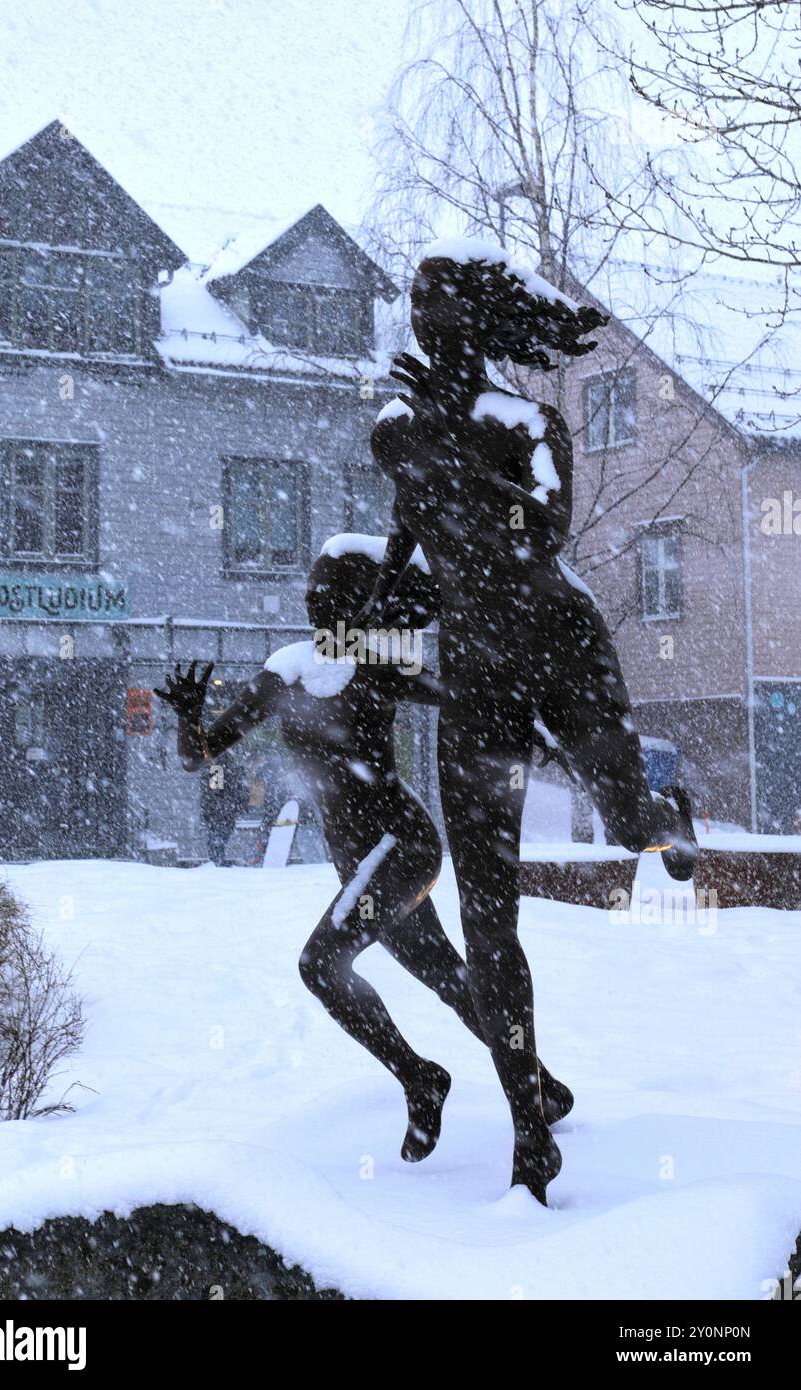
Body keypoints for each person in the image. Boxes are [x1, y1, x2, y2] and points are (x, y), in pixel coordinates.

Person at [356, 238, 698, 1203]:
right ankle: (526, 1128)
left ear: (477, 320)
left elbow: (536, 533)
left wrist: (450, 465)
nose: (425, 326)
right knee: (485, 913)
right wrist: (392, 603)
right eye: (418, 312)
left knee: (629, 825)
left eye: (441, 310)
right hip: (478, 677)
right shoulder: (405, 418)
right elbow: (412, 529)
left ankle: (670, 812)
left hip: (561, 646)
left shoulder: (531, 419)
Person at [155, 545, 573, 1165]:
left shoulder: (376, 664)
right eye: (313, 597)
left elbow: (469, 696)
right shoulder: (286, 672)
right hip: (362, 865)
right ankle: (544, 1089)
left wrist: (540, 723)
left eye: (333, 598)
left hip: (402, 846)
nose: (318, 607)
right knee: (452, 983)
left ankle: (421, 1079)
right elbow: (199, 755)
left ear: (360, 605)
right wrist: (191, 717)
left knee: (321, 965)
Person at [199, 750, 246, 865]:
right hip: (223, 812)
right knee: (218, 839)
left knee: (217, 839)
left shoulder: (217, 769)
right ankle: (217, 862)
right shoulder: (220, 769)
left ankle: (217, 861)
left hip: (221, 813)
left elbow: (214, 792)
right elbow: (215, 792)